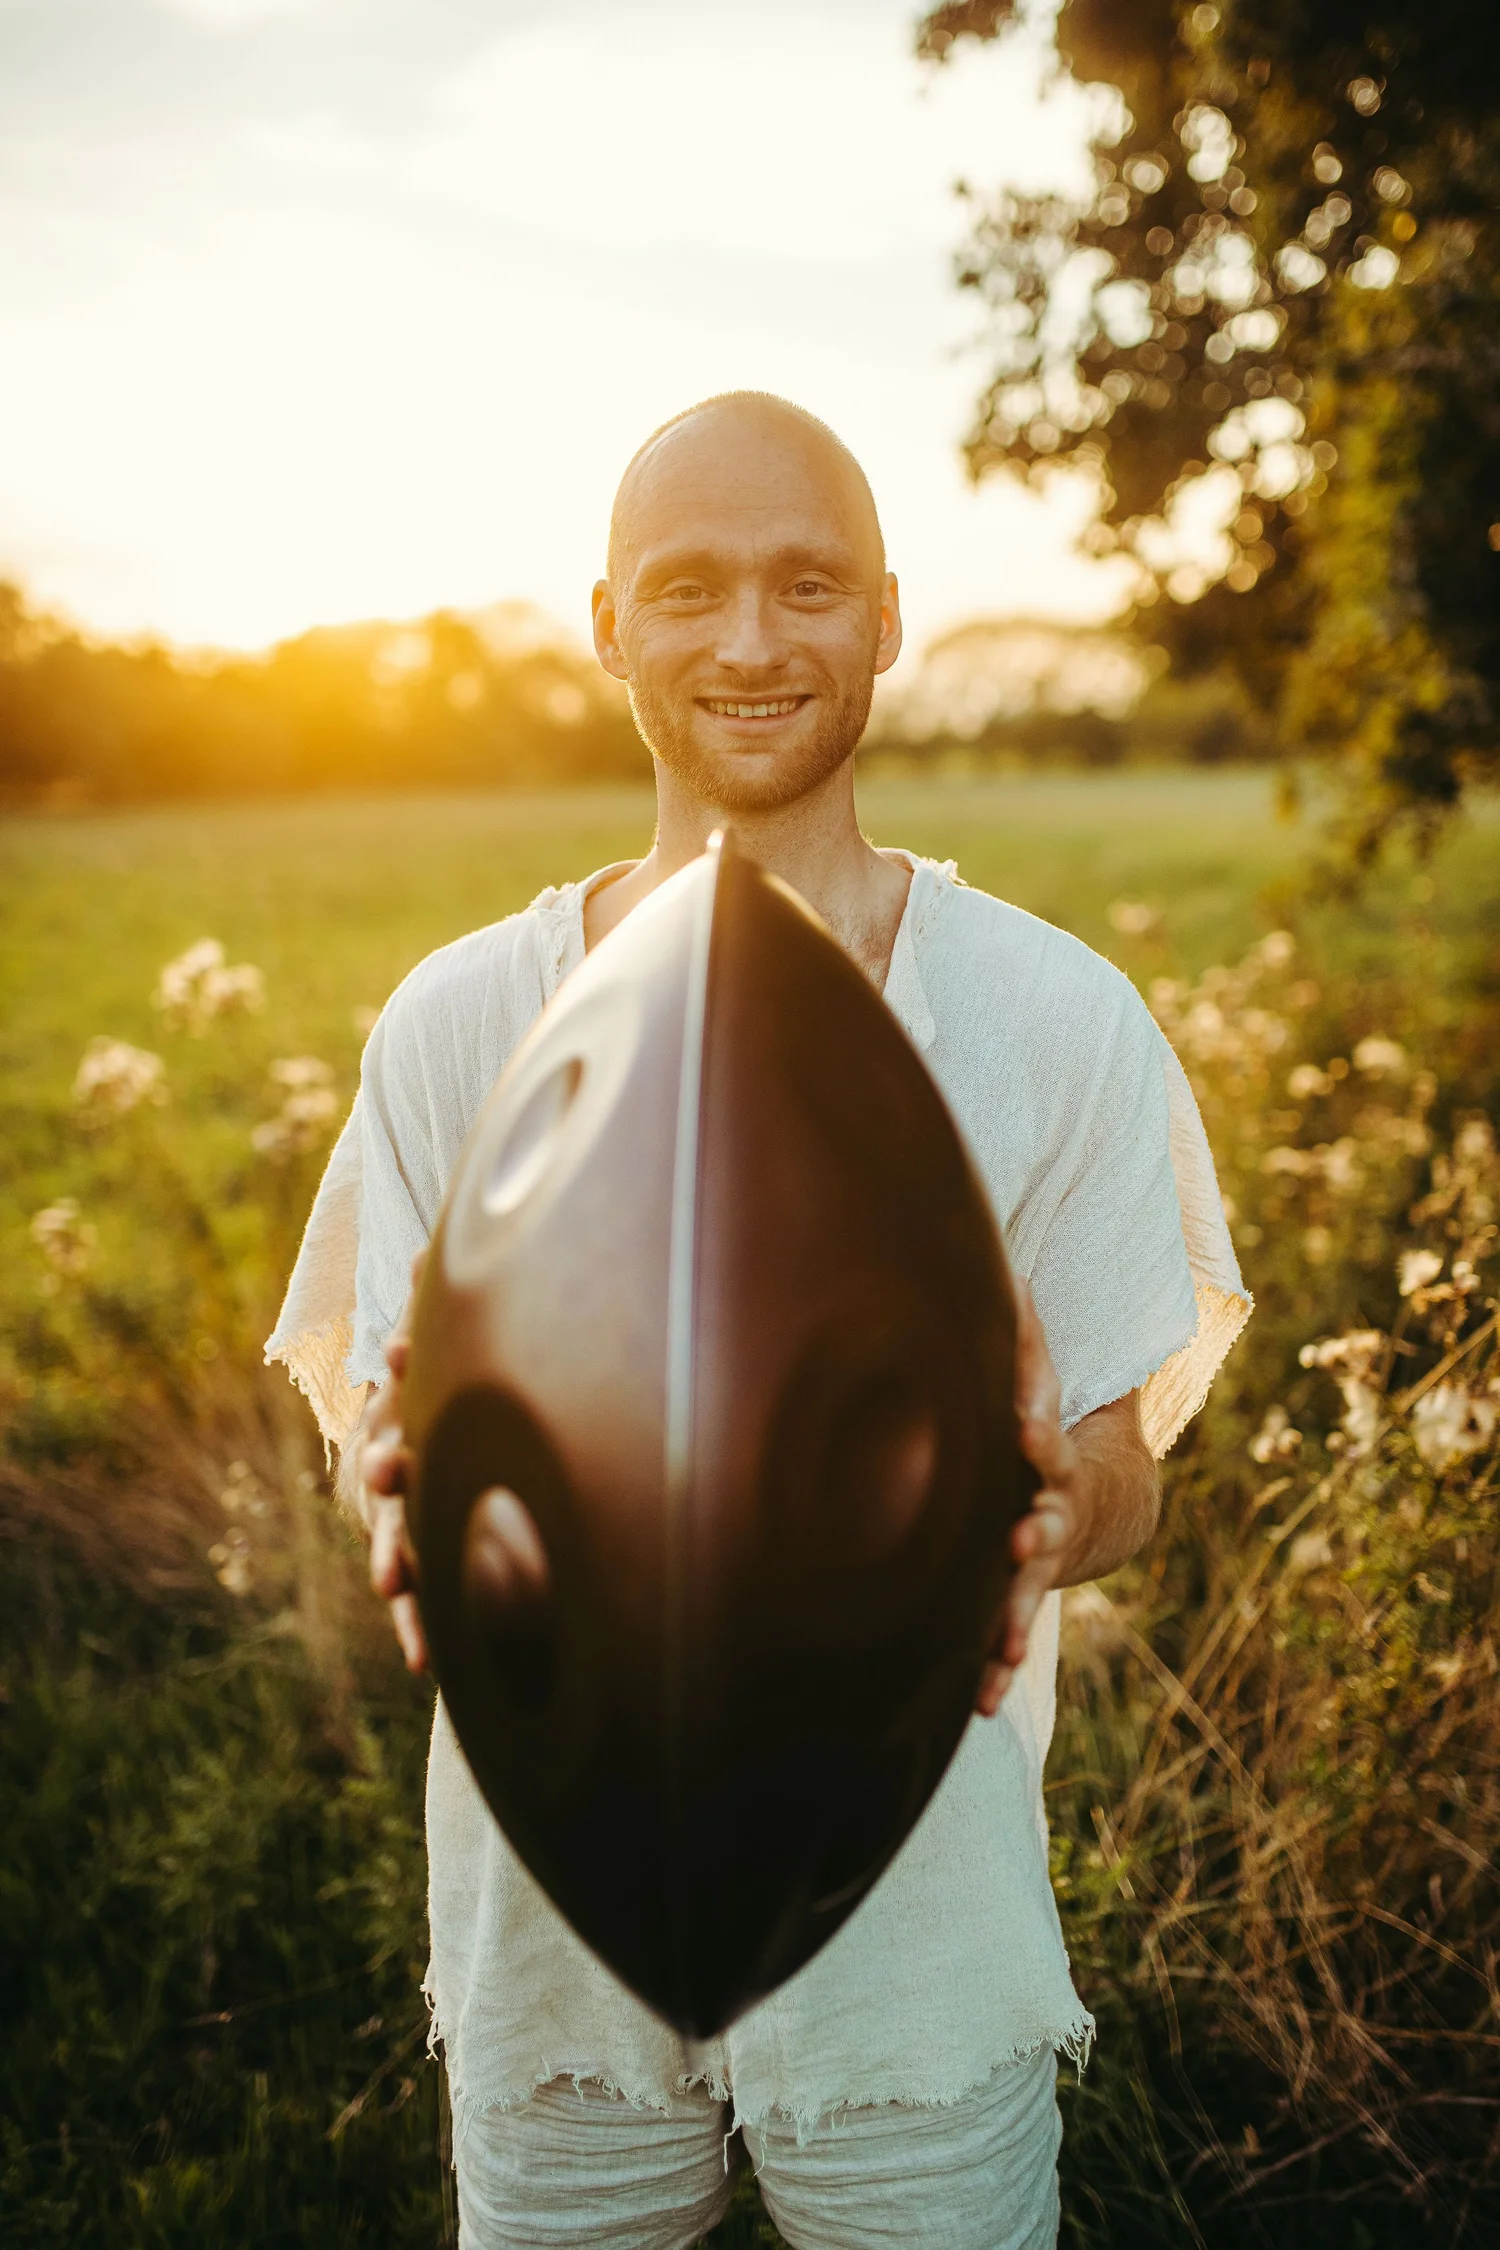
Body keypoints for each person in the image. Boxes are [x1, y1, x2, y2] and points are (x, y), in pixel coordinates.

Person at [267, 391, 1249, 2249]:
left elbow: (1125, 1462)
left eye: (806, 586)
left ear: (889, 614)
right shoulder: (460, 1025)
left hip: (915, 1936)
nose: (747, 640)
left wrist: (1054, 1508)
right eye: (689, 587)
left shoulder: (1057, 1017)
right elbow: (394, 1454)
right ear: (608, 622)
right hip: (546, 1935)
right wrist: (402, 1504)